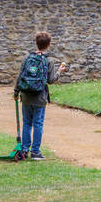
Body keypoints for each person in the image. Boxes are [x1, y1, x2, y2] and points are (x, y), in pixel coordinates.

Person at [15, 31, 67, 161]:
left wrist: (16, 92)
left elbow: (20, 75)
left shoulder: (27, 58)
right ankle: (36, 152)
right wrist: (59, 71)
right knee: (38, 123)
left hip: (26, 95)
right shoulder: (48, 60)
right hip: (40, 97)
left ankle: (25, 150)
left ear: (36, 43)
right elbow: (51, 79)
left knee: (27, 123)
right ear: (49, 44)